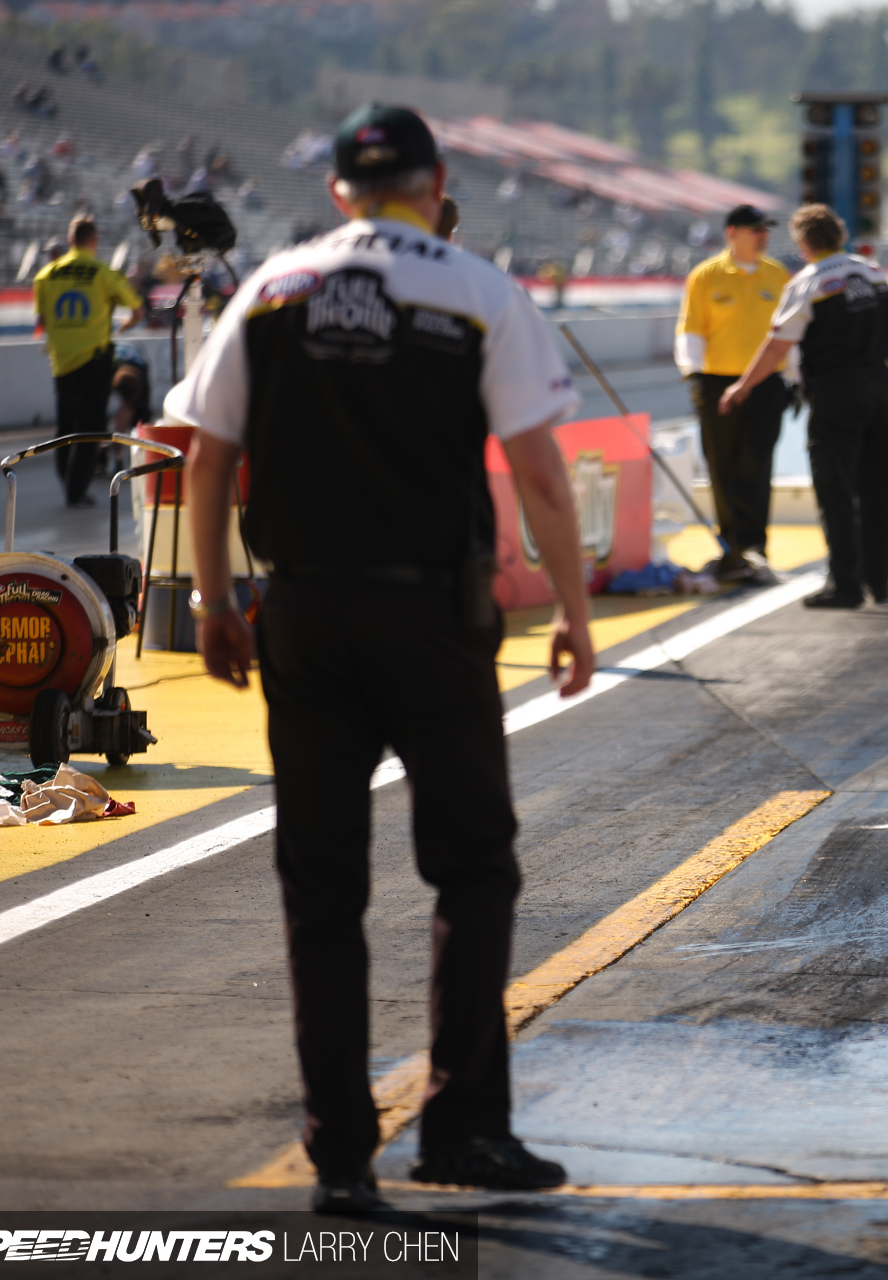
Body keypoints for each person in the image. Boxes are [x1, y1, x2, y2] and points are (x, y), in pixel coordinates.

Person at [167, 104, 593, 1214]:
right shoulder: (472, 288)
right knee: (471, 868)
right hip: (432, 619)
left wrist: (215, 598)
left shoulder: (275, 286)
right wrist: (575, 609)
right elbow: (541, 474)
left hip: (301, 613)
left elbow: (207, 457)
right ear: (433, 179)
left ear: (340, 192)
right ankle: (462, 1127)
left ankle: (341, 1157)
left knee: (321, 887)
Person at [719, 204, 888, 610]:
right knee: (880, 486)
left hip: (836, 388)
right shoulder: (874, 273)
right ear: (840, 235)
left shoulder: (808, 282)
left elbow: (777, 346)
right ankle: (881, 581)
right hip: (882, 385)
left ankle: (846, 584)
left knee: (836, 487)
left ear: (804, 243)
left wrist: (741, 386)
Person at [675, 203, 793, 584]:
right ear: (732, 233)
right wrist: (693, 375)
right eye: (754, 230)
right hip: (716, 382)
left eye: (765, 230)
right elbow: (691, 328)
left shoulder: (778, 275)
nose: (762, 236)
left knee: (756, 464)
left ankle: (755, 547)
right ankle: (730, 547)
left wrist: (796, 378)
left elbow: (792, 334)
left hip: (766, 384)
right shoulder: (706, 276)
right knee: (721, 466)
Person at [33, 216, 144, 507]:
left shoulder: (45, 276)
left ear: (70, 241)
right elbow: (137, 310)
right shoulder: (102, 273)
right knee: (89, 428)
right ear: (93, 242)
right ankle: (76, 491)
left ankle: (65, 482)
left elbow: (43, 319)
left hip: (61, 362)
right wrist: (124, 324)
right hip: (94, 361)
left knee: (65, 426)